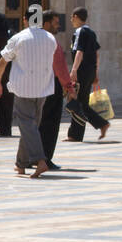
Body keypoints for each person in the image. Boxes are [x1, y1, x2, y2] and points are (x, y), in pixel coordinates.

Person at [0, 10, 59, 178]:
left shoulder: (19, 38)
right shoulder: (51, 39)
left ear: (24, 19)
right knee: (30, 126)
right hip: (43, 88)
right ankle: (21, 164)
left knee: (27, 125)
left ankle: (40, 160)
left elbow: (3, 61)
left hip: (24, 88)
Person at [37, 11, 77, 168]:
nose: (58, 25)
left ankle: (32, 157)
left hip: (34, 86)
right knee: (50, 124)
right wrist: (69, 87)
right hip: (50, 86)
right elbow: (59, 67)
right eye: (55, 22)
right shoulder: (51, 42)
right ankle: (45, 158)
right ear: (46, 23)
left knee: (35, 124)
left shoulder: (30, 39)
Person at [65, 7, 110, 142]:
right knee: (81, 103)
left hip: (82, 72)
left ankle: (100, 124)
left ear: (77, 16)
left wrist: (73, 70)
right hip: (89, 72)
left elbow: (79, 52)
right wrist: (95, 73)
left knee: (75, 102)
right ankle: (76, 134)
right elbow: (96, 54)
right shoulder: (91, 32)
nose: (71, 20)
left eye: (72, 17)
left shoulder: (80, 32)